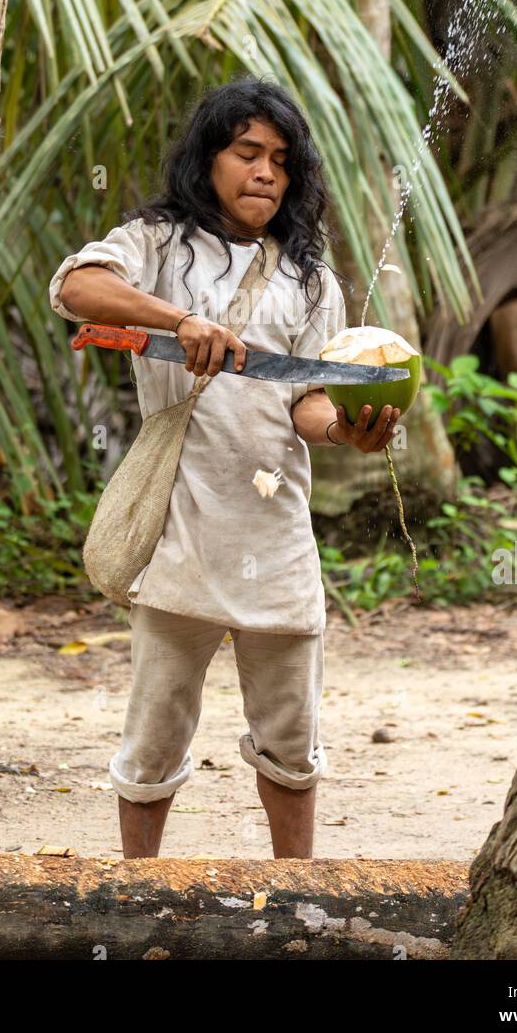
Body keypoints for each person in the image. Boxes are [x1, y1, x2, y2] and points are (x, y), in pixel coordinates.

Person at [49, 77, 402, 858]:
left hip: (276, 532)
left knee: (292, 736)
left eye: (280, 159)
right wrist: (179, 319)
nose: (265, 172)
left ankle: (299, 902)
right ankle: (140, 893)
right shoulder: (158, 242)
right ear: (210, 159)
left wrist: (347, 430)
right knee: (155, 735)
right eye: (247, 153)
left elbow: (306, 403)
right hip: (181, 528)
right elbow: (76, 287)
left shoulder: (312, 281)